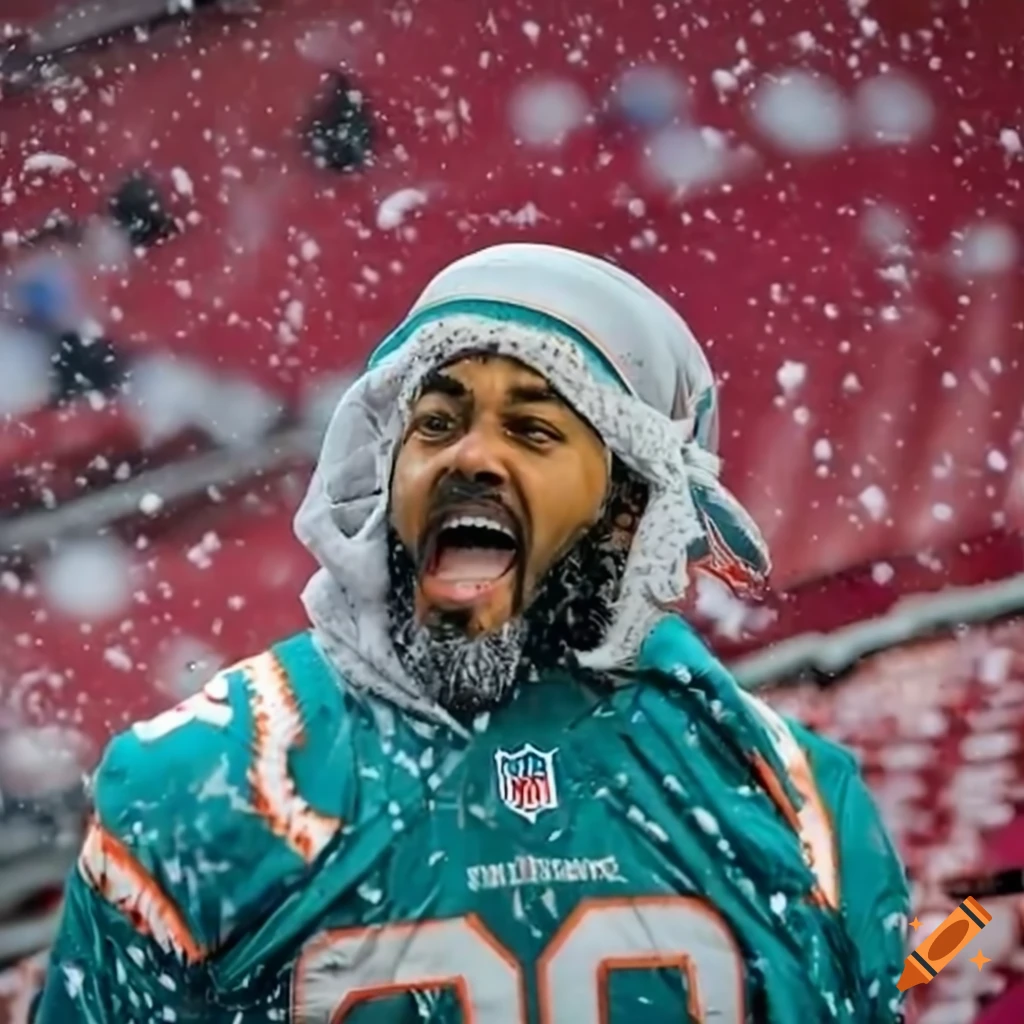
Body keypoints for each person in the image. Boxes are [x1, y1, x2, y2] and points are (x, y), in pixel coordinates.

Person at [33, 244, 911, 1022]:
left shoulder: (794, 804)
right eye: (438, 422)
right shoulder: (202, 778)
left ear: (628, 509)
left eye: (532, 428)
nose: (468, 457)